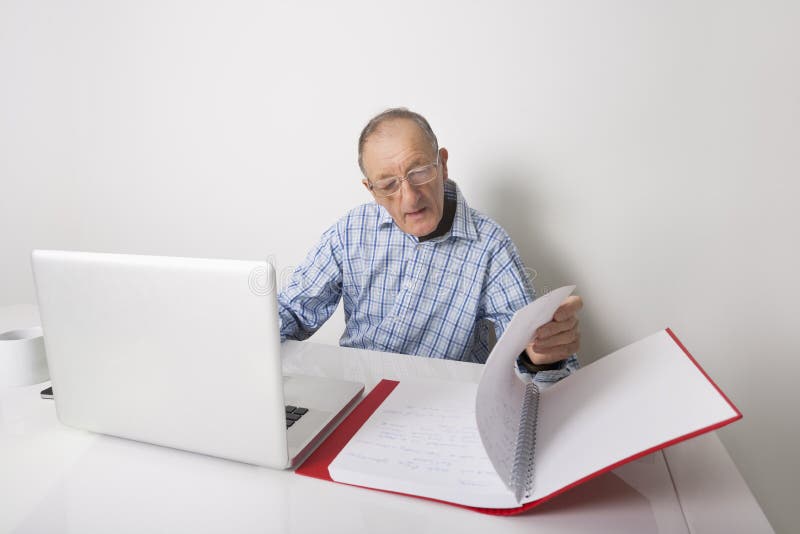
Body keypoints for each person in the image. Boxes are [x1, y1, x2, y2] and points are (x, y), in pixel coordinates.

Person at [278, 108, 582, 384]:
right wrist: (246, 338)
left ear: (443, 165)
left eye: (419, 171)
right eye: (388, 185)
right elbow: (292, 310)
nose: (410, 197)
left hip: (443, 409)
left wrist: (539, 360)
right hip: (358, 398)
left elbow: (534, 365)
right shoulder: (350, 231)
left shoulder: (490, 246)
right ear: (371, 190)